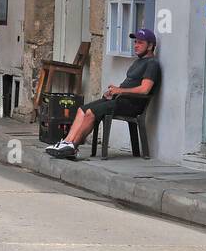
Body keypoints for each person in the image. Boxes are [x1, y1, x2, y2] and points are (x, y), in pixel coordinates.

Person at [45, 29, 160, 159]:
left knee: (91, 113)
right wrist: (113, 93)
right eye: (135, 42)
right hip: (119, 100)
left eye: (140, 43)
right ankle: (66, 142)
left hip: (132, 105)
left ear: (150, 46)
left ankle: (73, 146)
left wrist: (120, 91)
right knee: (82, 110)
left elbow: (145, 89)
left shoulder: (152, 64)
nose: (136, 45)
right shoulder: (138, 62)